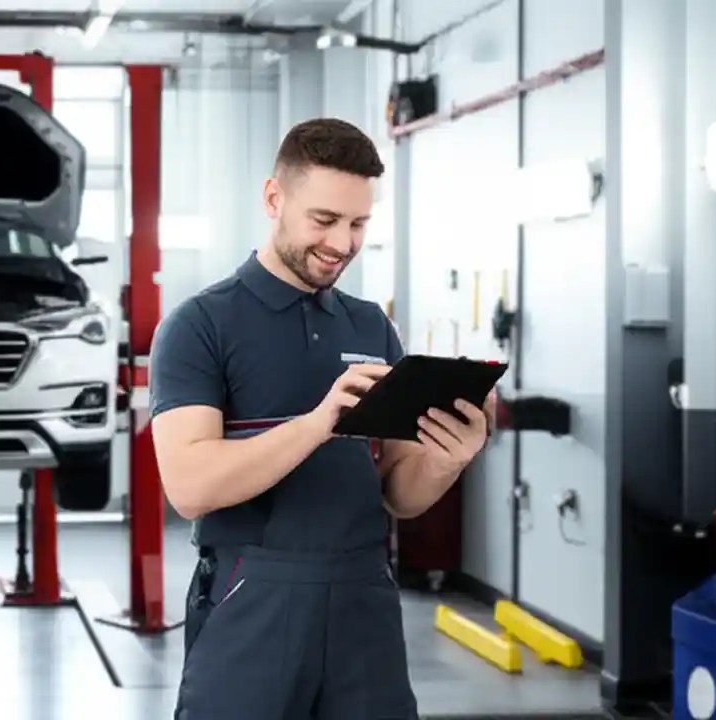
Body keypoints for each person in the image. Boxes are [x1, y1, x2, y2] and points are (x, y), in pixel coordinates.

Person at [148, 117, 495, 720]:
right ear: (273, 198)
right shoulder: (200, 325)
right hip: (249, 600)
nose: (342, 242)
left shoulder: (370, 327)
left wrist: (447, 459)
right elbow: (189, 486)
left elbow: (400, 495)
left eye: (359, 224)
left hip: (364, 600)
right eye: (324, 220)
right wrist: (318, 422)